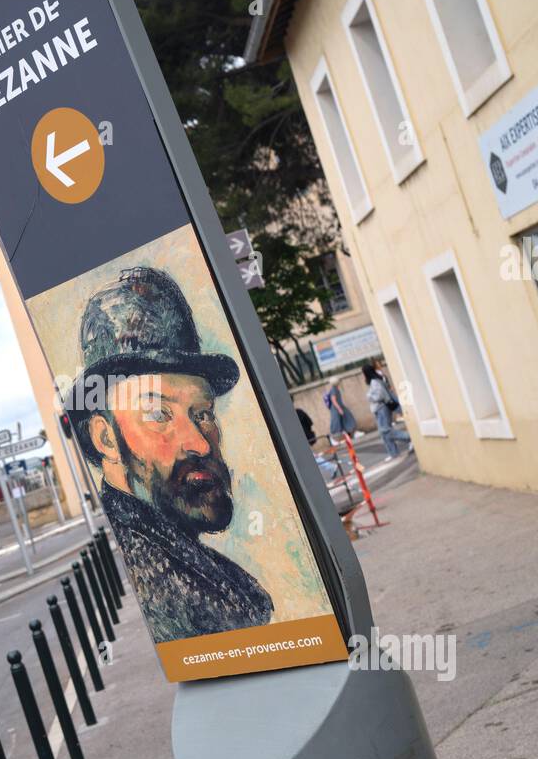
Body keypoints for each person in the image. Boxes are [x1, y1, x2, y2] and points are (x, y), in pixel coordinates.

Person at [65, 266, 273, 643]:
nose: (200, 443)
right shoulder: (162, 578)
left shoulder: (182, 557)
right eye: (158, 414)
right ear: (105, 439)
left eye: (203, 414)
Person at [362, 363, 412, 461]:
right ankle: (393, 453)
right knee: (384, 432)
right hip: (380, 409)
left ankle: (410, 437)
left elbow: (379, 396)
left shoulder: (375, 382)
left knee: (386, 431)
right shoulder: (376, 380)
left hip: (381, 408)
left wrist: (369, 396)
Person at [321, 377, 359, 444]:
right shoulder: (334, 390)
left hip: (339, 407)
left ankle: (350, 434)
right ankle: (333, 439)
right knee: (337, 423)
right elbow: (334, 400)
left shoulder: (334, 389)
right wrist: (339, 409)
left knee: (346, 419)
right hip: (337, 408)